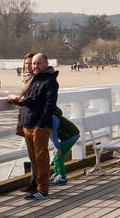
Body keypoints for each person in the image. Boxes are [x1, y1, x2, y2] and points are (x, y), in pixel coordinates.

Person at [8, 51, 59, 200]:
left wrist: (42, 124)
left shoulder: (50, 81)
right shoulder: (35, 79)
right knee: (33, 157)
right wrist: (16, 101)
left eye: (38, 63)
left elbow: (50, 105)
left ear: (46, 64)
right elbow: (31, 99)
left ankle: (43, 189)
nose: (35, 66)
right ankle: (38, 186)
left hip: (39, 125)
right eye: (34, 63)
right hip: (28, 123)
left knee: (41, 157)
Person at [50, 106, 81, 184]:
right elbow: (51, 135)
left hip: (71, 136)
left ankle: (62, 177)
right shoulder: (49, 115)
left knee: (59, 155)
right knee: (56, 154)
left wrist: (57, 147)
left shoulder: (53, 118)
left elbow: (53, 133)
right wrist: (56, 147)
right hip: (68, 136)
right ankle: (57, 173)